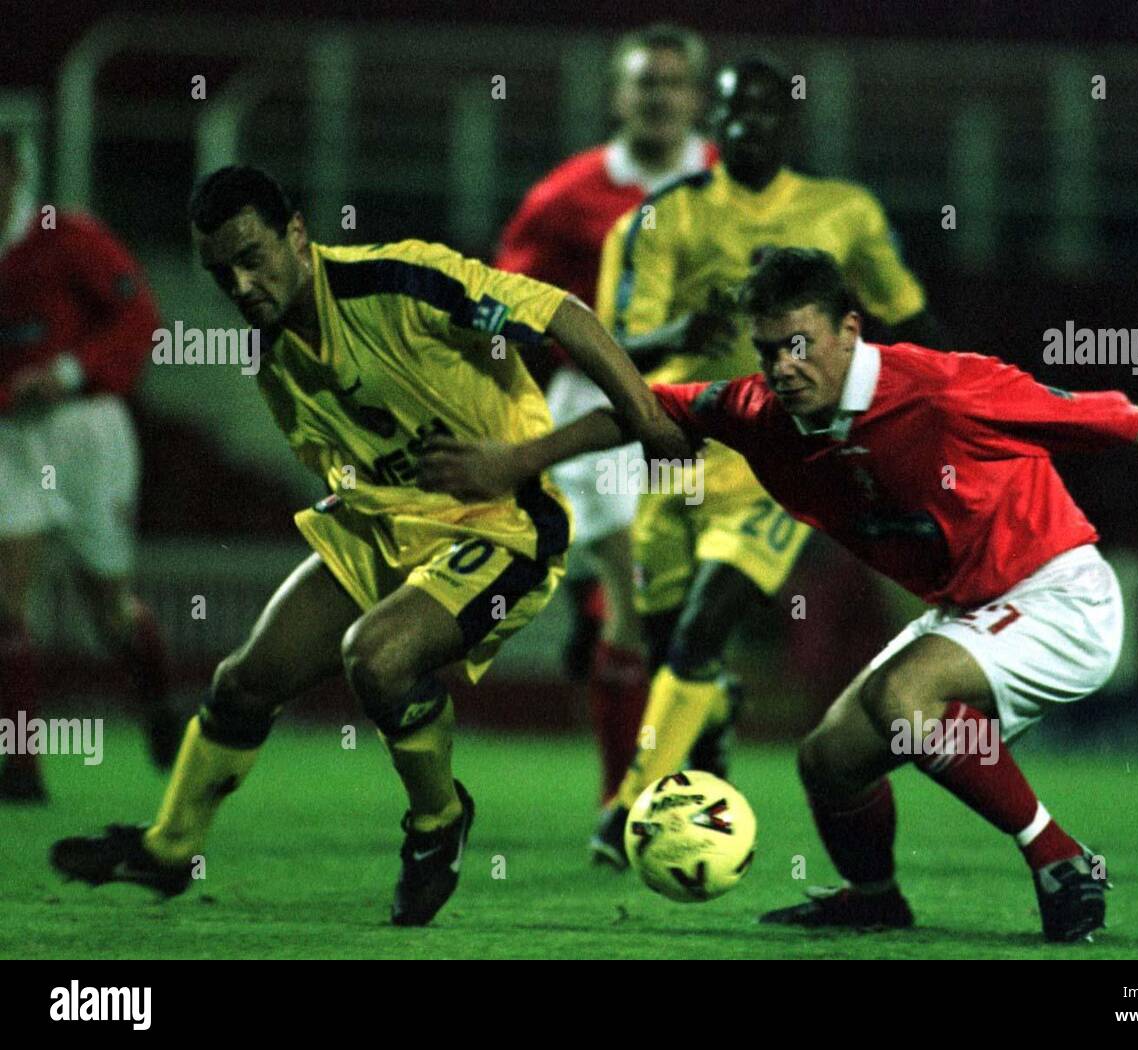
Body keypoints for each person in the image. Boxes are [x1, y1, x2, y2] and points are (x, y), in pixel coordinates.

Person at [415, 248, 1138, 941]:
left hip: (1060, 595)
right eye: (768, 349)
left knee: (906, 695)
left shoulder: (939, 388)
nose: (784, 367)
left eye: (801, 344)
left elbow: (1104, 413)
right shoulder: (755, 411)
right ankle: (875, 895)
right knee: (828, 760)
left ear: (849, 330)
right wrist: (513, 461)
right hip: (969, 612)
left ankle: (1062, 858)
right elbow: (638, 410)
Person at [48, 165, 680, 926]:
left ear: (297, 234)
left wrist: (595, 432)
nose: (242, 284)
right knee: (247, 681)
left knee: (377, 658)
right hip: (383, 526)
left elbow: (561, 312)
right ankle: (168, 847)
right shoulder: (276, 357)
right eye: (222, 273)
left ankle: (437, 823)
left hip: (501, 524)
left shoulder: (398, 280)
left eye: (253, 257)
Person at [582, 58, 940, 865]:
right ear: (717, 117)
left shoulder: (841, 213)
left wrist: (917, 433)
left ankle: (631, 802)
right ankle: (710, 715)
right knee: (674, 638)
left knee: (705, 626)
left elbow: (913, 324)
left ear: (790, 121)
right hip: (676, 454)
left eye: (767, 109)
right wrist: (679, 333)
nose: (749, 123)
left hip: (780, 457)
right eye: (736, 108)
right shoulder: (662, 218)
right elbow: (610, 343)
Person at [494, 24, 716, 811]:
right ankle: (620, 802)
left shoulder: (733, 185)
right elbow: (502, 309)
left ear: (697, 97)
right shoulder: (563, 198)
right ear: (619, 96)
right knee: (635, 592)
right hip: (604, 409)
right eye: (643, 83)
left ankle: (653, 712)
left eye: (672, 83)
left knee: (697, 606)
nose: (658, 97)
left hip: (713, 414)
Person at [0, 131, 180, 802]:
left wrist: (70, 370)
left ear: (14, 172)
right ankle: (22, 766)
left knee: (109, 608)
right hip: (10, 438)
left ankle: (159, 705)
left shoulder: (67, 237)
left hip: (84, 433)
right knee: (5, 600)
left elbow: (140, 315)